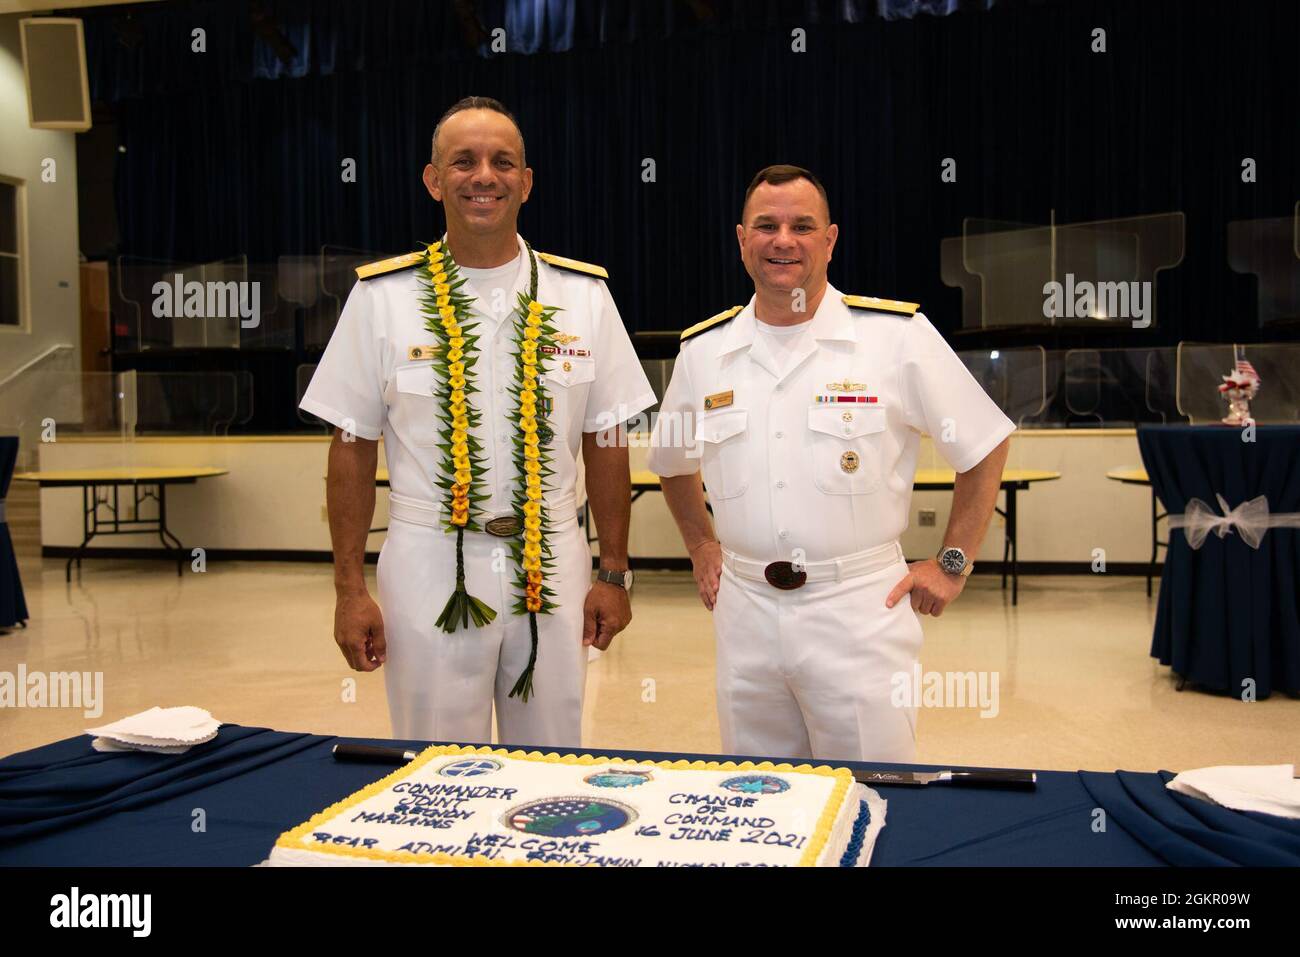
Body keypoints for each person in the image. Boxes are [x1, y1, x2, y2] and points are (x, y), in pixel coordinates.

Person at [301, 96, 655, 748]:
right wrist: (349, 589)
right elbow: (350, 446)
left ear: (526, 180)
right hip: (428, 562)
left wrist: (613, 571)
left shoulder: (583, 296)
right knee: (433, 763)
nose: (483, 176)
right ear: (434, 180)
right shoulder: (382, 298)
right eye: (463, 161)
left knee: (550, 758)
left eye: (502, 162)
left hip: (553, 561)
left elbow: (605, 437)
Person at [648, 164, 1014, 762]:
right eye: (766, 225)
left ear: (831, 239)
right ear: (742, 239)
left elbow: (985, 442)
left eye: (801, 225)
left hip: (859, 611)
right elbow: (670, 461)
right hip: (745, 614)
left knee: (874, 792)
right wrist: (701, 546)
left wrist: (953, 563)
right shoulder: (705, 352)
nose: (782, 240)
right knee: (757, 799)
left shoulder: (894, 337)